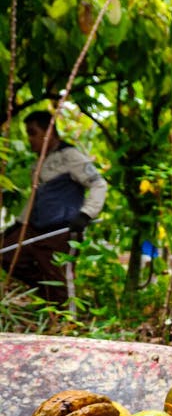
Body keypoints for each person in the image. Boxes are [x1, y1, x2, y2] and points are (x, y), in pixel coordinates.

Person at [1, 110, 108, 306]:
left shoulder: (71, 156)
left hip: (61, 229)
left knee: (58, 277)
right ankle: (47, 294)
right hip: (35, 228)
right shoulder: (39, 163)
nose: (30, 140)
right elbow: (34, 198)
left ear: (48, 133)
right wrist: (17, 225)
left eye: (33, 133)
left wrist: (85, 215)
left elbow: (98, 184)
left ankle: (65, 320)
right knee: (5, 252)